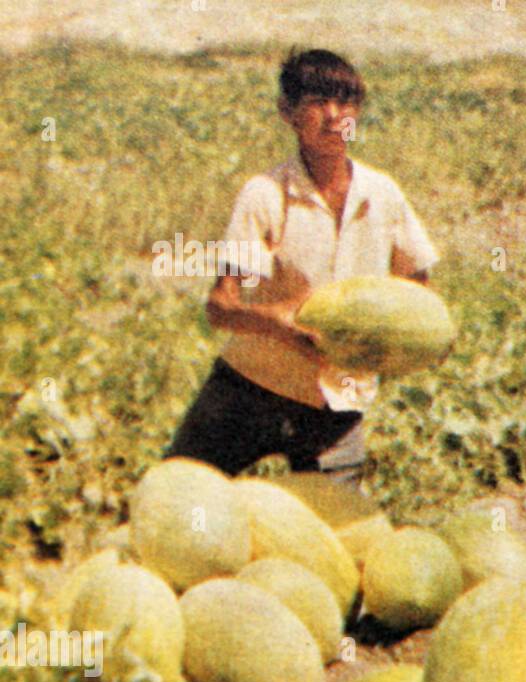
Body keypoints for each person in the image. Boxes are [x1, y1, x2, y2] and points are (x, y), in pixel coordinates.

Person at [165, 49, 439, 486]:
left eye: (346, 103)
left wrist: (393, 343)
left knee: (333, 536)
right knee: (179, 493)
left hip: (338, 401)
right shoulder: (265, 193)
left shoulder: (383, 194)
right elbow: (220, 307)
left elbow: (418, 287)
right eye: (316, 102)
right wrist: (275, 322)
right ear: (288, 113)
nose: (334, 117)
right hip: (250, 389)